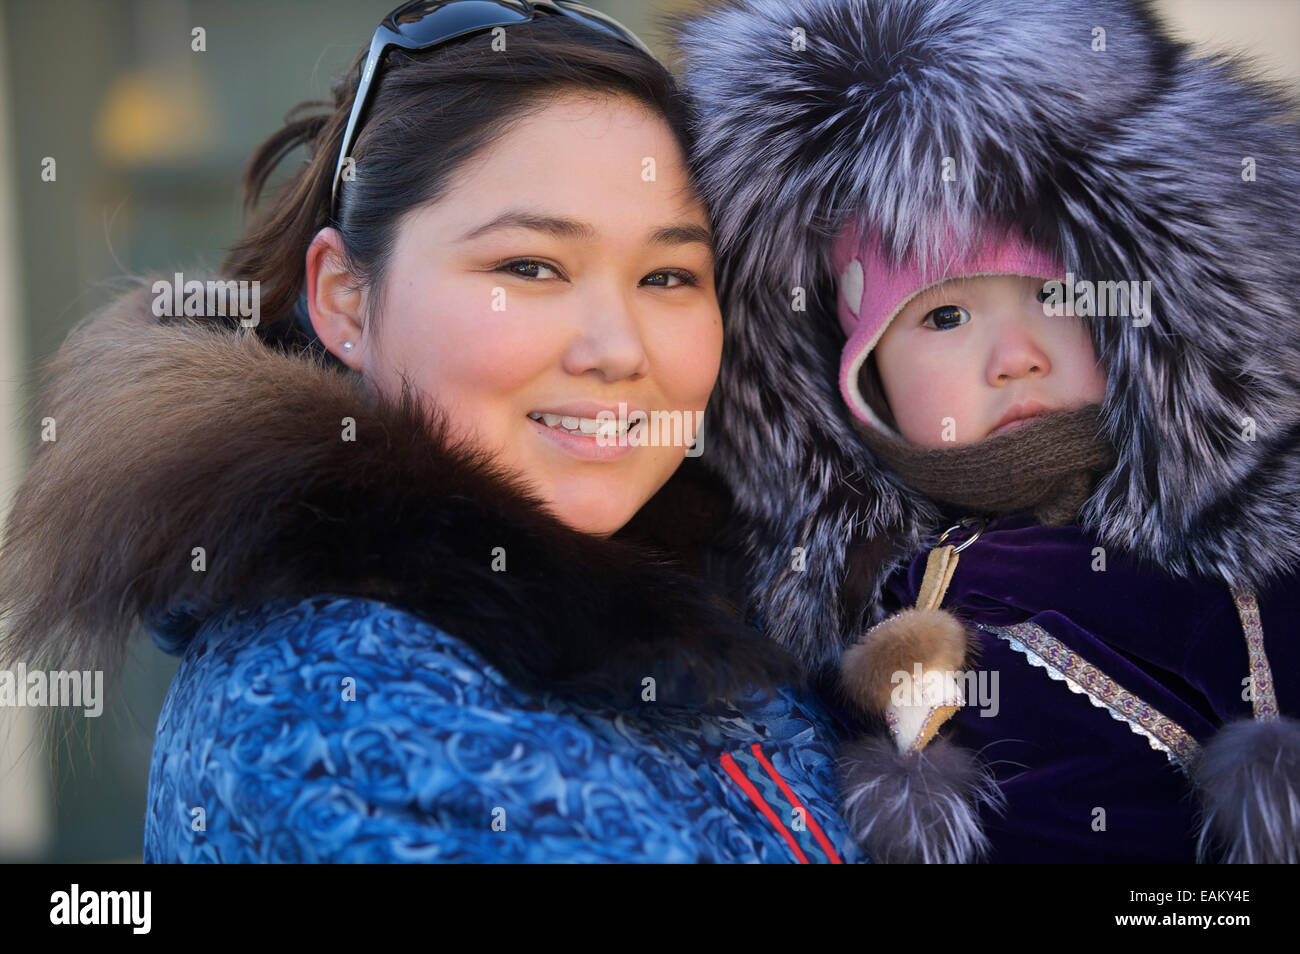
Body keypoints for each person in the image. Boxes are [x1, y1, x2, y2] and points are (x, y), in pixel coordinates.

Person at [0, 1, 863, 863]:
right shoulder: (337, 699)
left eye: (670, 275)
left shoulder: (732, 591)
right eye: (529, 266)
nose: (617, 349)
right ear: (345, 297)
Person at [668, 0, 1300, 861]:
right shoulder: (856, 601)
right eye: (946, 316)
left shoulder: (1256, 548)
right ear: (862, 381)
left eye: (1054, 298)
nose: (1014, 356)